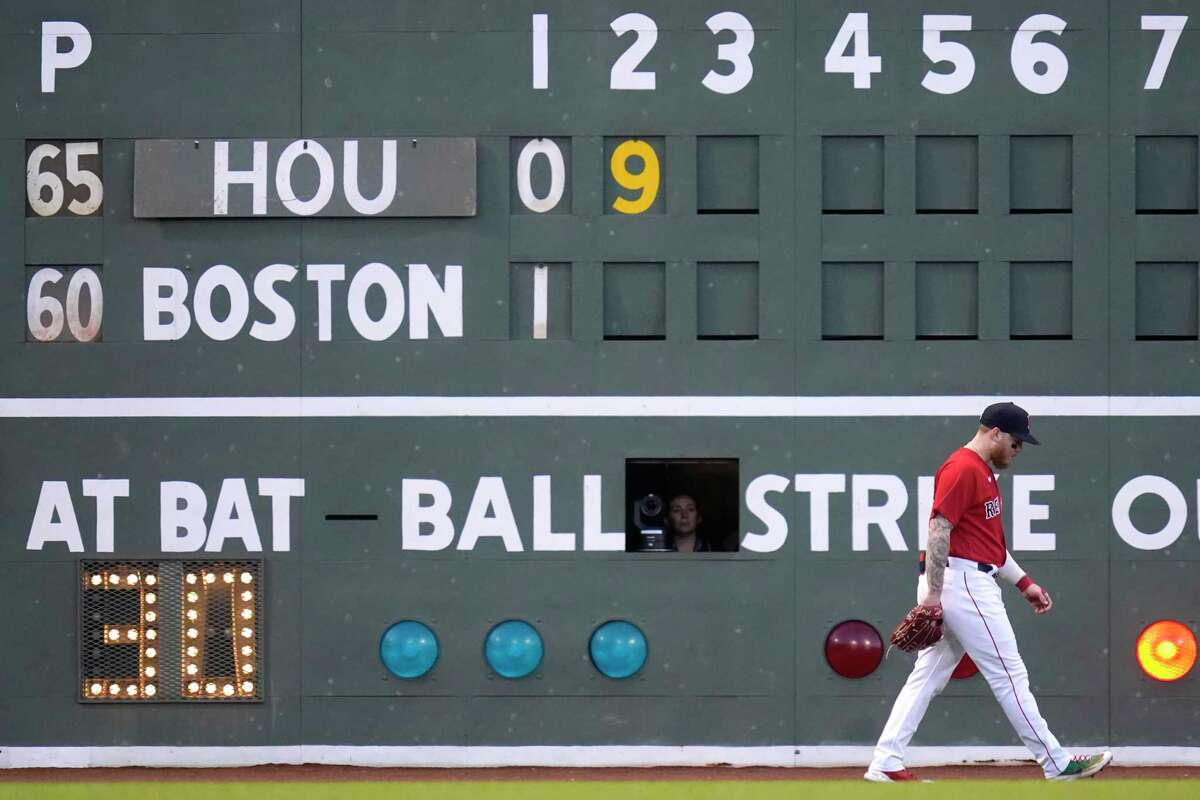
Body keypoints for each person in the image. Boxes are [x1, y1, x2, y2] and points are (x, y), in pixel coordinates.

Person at [864, 402, 1112, 783]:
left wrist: (1023, 582)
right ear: (994, 433)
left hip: (966, 577)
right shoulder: (962, 468)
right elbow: (938, 531)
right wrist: (933, 595)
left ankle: (886, 762)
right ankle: (1056, 762)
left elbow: (988, 545)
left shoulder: (981, 472)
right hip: (961, 583)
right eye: (1016, 442)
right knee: (1009, 674)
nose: (1018, 450)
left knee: (927, 675)